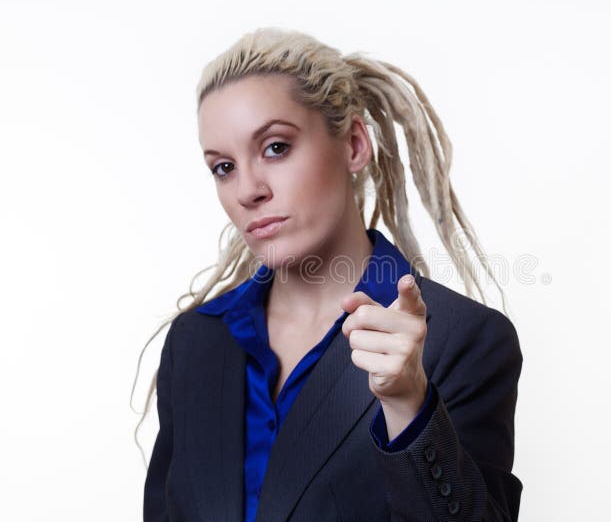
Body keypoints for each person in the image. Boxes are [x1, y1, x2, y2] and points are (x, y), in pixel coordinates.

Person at [133, 26, 523, 521]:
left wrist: (410, 407)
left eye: (276, 147)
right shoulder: (195, 343)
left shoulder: (462, 340)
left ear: (355, 144)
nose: (247, 189)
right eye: (223, 167)